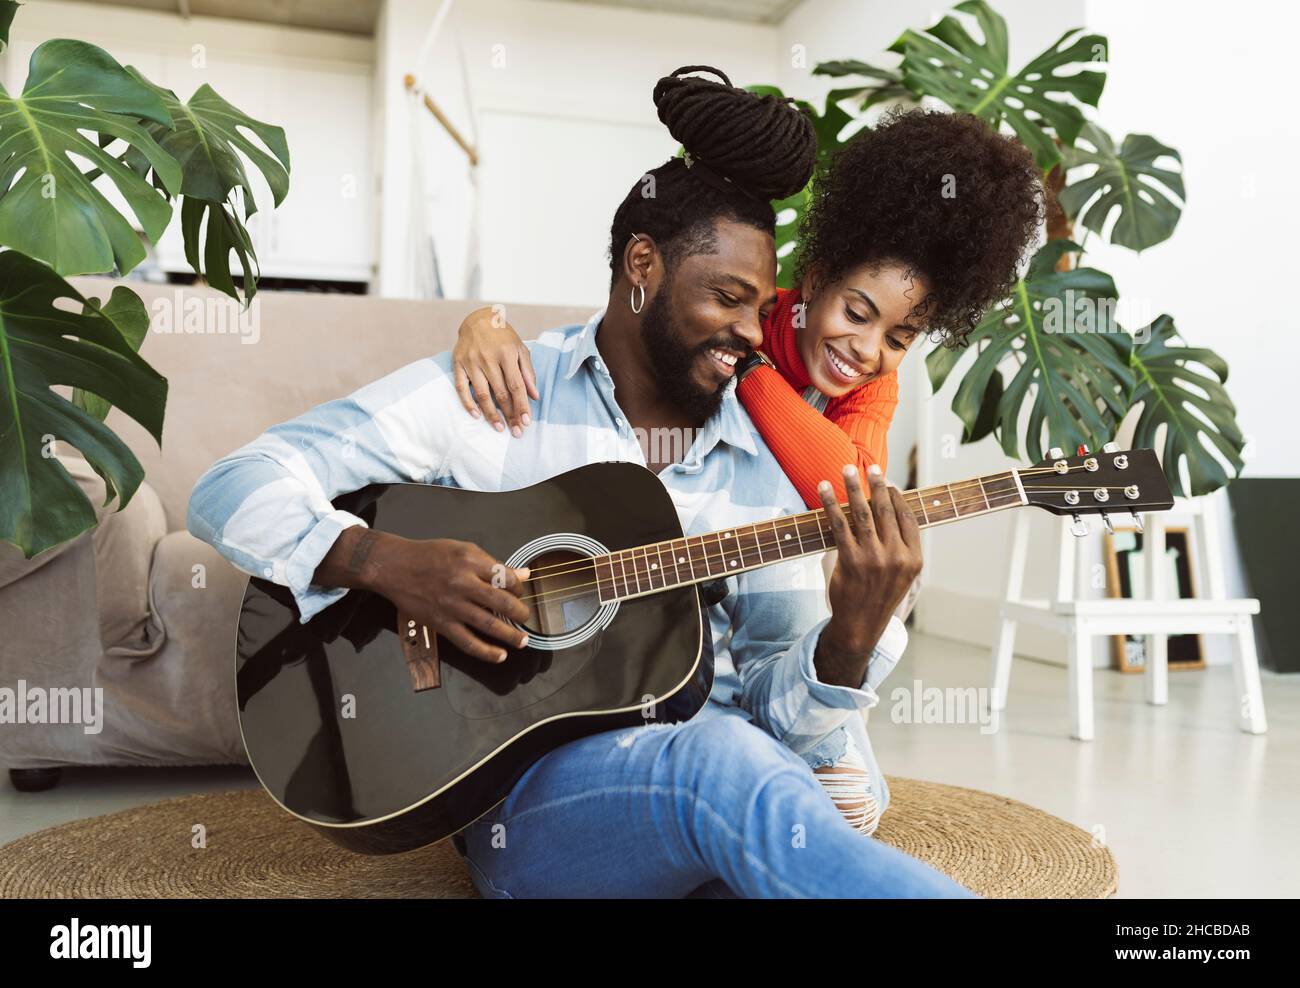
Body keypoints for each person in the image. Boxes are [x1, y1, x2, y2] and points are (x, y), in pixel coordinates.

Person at [188, 65, 974, 897]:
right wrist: (381, 561)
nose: (752, 332)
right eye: (729, 299)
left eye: (759, 306)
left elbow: (789, 720)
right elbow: (236, 482)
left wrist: (848, 641)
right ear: (644, 265)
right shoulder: (498, 394)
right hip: (531, 806)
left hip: (703, 764)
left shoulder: (758, 459)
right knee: (726, 766)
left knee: (774, 777)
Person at [448, 102, 1044, 832]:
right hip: (680, 619)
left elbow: (845, 484)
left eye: (900, 337)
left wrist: (755, 376)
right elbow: (629, 335)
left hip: (796, 617)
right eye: (856, 312)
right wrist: (487, 321)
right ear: (816, 278)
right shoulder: (740, 315)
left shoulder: (852, 380)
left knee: (852, 805)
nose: (865, 348)